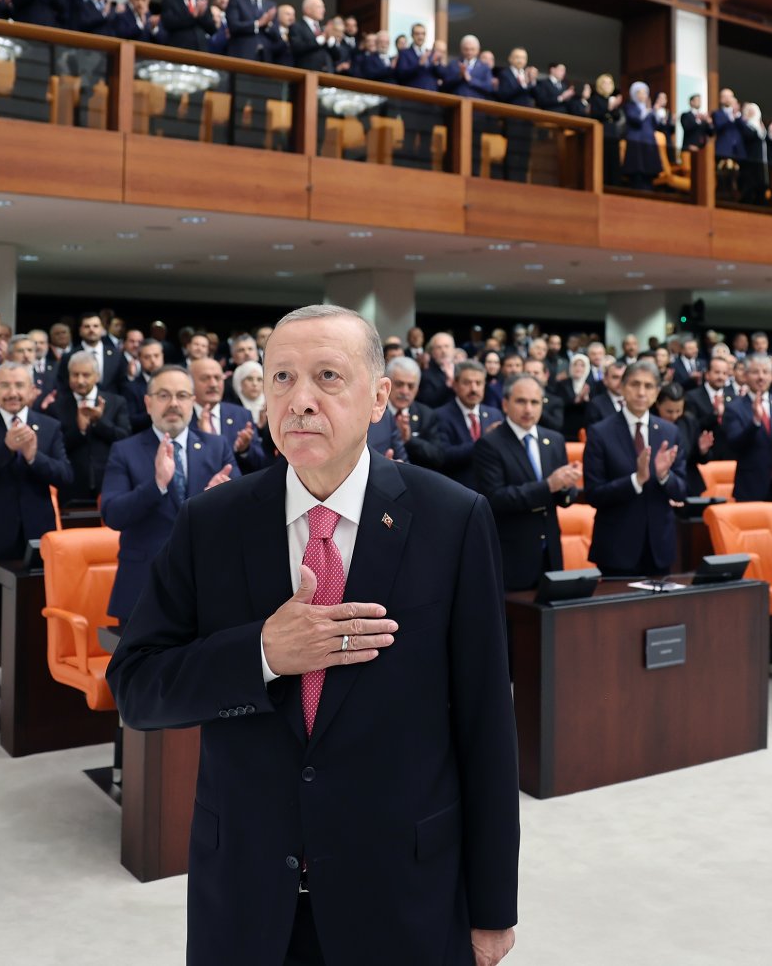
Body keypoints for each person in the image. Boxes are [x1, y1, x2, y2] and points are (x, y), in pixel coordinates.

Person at [105, 305, 520, 965]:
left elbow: (486, 723)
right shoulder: (208, 524)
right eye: (281, 379)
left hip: (402, 894)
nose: (300, 401)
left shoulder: (452, 519)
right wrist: (263, 654)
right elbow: (137, 687)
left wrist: (494, 905)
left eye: (328, 376)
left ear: (379, 397)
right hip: (248, 898)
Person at [0, 362, 72, 733]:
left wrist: (35, 457)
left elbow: (66, 477)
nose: (12, 392)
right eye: (4, 385)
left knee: (34, 625)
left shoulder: (49, 426)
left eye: (19, 385)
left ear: (33, 389)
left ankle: (31, 699)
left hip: (36, 543)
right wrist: (5, 450)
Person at [101, 366, 236, 620]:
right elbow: (113, 514)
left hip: (207, 586)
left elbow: (243, 512)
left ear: (193, 402)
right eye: (164, 395)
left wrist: (222, 498)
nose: (174, 403)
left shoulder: (217, 447)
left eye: (182, 395)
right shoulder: (124, 450)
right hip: (143, 586)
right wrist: (157, 485)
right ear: (148, 402)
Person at [473, 373, 581, 593]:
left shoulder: (554, 439)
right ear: (505, 404)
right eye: (521, 401)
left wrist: (567, 487)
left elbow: (564, 498)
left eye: (534, 402)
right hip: (513, 555)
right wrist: (549, 485)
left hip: (550, 553)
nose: (528, 409)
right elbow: (495, 498)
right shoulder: (490, 444)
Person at [583, 359, 686, 580]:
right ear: (622, 387)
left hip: (659, 547)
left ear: (657, 392)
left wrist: (664, 476)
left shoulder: (670, 431)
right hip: (617, 547)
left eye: (648, 386)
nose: (641, 392)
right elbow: (593, 494)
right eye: (634, 384)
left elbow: (682, 490)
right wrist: (636, 480)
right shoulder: (601, 432)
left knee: (661, 615)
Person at [51, 353, 132, 505]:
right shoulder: (56, 407)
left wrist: (98, 422)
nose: (80, 381)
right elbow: (54, 448)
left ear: (97, 376)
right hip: (72, 488)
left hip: (111, 483)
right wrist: (79, 430)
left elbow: (125, 439)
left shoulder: (116, 402)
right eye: (75, 375)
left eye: (86, 375)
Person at [724, 353, 772, 501]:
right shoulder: (734, 408)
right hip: (751, 485)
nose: (761, 377)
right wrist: (755, 422)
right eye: (755, 372)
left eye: (765, 372)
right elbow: (735, 444)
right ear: (746, 376)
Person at [430, 359, 501, 490]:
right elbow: (443, 456)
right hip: (458, 490)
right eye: (467, 383)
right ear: (455, 384)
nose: (473, 389)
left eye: (478, 383)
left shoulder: (495, 414)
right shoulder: (439, 415)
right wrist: (483, 441)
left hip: (492, 490)